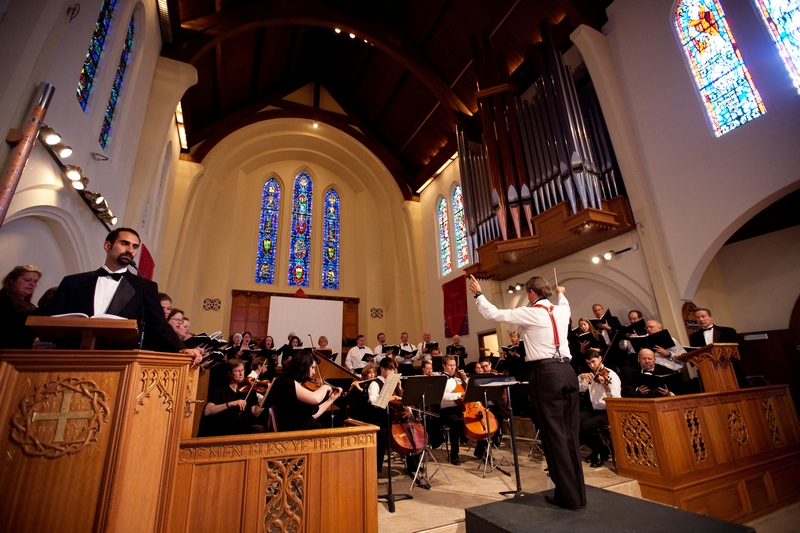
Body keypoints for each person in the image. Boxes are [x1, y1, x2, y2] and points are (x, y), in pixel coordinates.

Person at [470, 274, 585, 510]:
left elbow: (493, 314)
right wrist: (561, 292)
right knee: (571, 435)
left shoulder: (531, 312)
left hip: (546, 374)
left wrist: (478, 294)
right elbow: (565, 302)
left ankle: (568, 498)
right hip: (568, 372)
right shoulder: (561, 311)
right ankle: (578, 495)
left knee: (553, 436)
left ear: (532, 293)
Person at [46, 228, 201, 364]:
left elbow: (159, 324)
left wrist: (182, 348)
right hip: (69, 357)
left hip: (117, 361)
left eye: (135, 247)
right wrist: (41, 339)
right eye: (124, 243)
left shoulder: (144, 287)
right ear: (107, 246)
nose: (130, 250)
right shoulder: (73, 282)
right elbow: (49, 319)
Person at [265, 349, 341, 431]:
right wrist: (325, 387)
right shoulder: (287, 382)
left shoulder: (296, 383)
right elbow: (315, 398)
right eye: (312, 367)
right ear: (303, 366)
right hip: (296, 434)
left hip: (306, 430)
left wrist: (331, 399)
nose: (314, 372)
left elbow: (312, 415)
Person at [198, 358, 265, 436]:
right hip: (224, 431)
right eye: (237, 371)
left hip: (244, 430)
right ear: (229, 373)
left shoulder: (250, 389)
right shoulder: (221, 389)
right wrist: (230, 404)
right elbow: (207, 411)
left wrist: (265, 399)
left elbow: (255, 413)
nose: (241, 374)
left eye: (242, 370)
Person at [577, 349, 620, 468]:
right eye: (588, 363)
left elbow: (616, 399)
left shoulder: (610, 375)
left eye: (593, 362)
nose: (591, 365)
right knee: (574, 420)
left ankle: (602, 450)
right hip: (595, 411)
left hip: (609, 411)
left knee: (585, 426)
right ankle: (596, 449)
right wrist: (581, 377)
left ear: (600, 359)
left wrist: (606, 387)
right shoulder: (593, 375)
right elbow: (580, 388)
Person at [0, 265, 43, 349]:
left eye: (35, 281)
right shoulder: (2, 302)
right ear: (12, 281)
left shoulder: (31, 307)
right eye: (27, 280)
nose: (32, 284)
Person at [439, 354, 466, 465]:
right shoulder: (440, 379)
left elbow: (468, 391)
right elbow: (442, 396)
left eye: (454, 365)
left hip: (460, 407)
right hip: (447, 409)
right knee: (456, 422)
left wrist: (465, 379)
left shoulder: (458, 379)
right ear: (443, 366)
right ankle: (454, 454)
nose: (453, 368)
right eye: (450, 365)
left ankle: (481, 450)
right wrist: (459, 395)